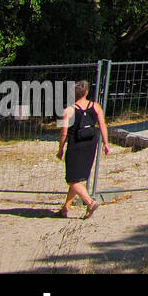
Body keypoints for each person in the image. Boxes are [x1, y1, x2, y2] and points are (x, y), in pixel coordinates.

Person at [57, 81, 109, 218]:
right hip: (91, 144)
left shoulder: (69, 110)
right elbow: (102, 125)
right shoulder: (96, 106)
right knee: (77, 178)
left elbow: (63, 133)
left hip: (75, 145)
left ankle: (89, 202)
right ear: (86, 92)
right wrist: (106, 143)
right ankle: (65, 208)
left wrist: (61, 149)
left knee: (72, 179)